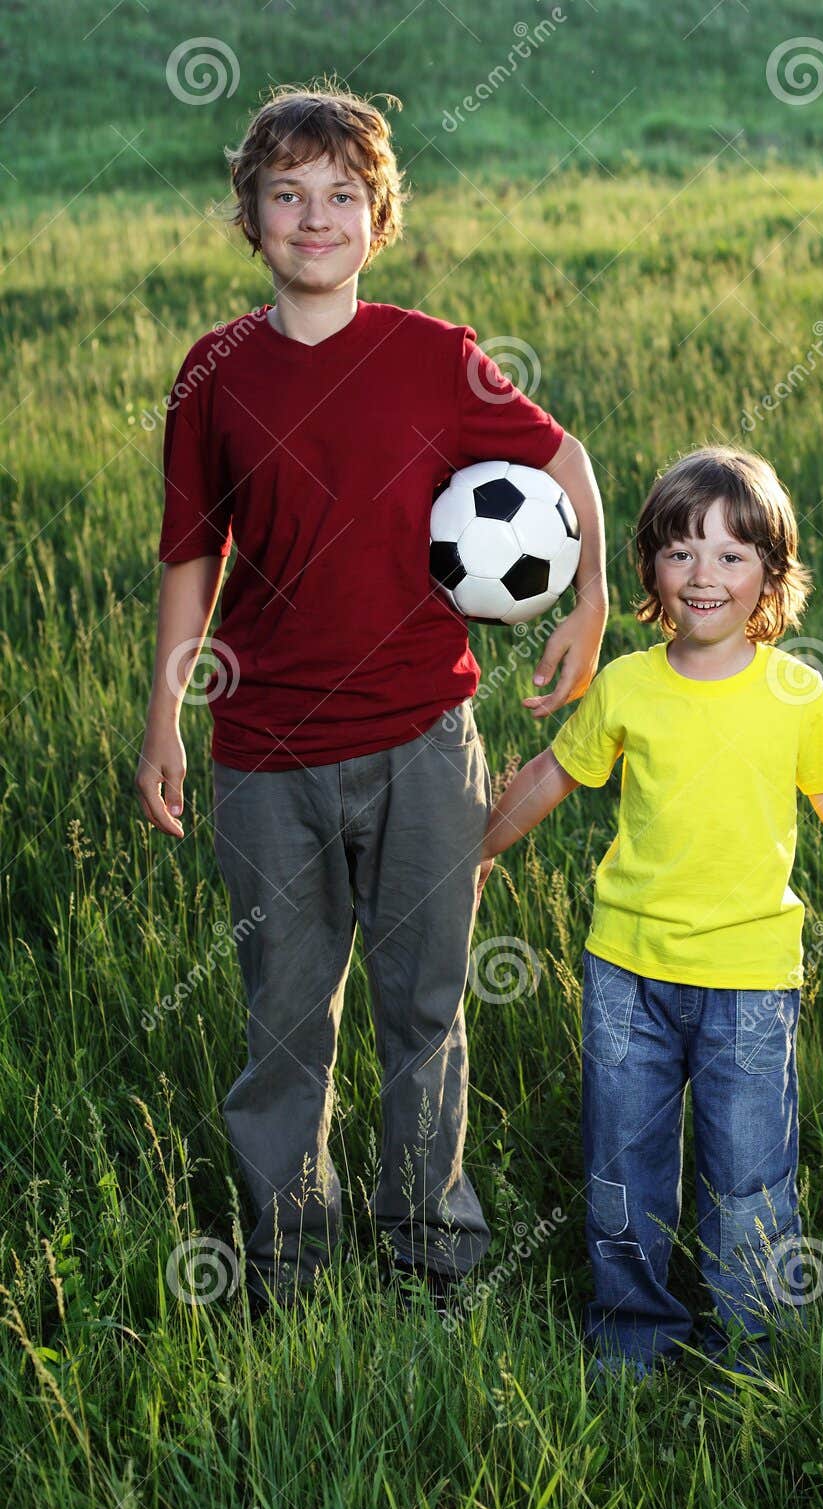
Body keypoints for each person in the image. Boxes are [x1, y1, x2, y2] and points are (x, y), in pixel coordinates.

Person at [135, 80, 606, 1312]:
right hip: (266, 752)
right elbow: (193, 559)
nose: (312, 218)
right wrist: (162, 719)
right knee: (284, 1021)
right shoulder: (214, 375)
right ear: (249, 215)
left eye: (340, 196)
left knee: (425, 1009)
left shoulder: (432, 358)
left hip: (419, 741)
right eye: (286, 195)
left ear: (376, 217)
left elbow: (561, 459)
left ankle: (429, 1253)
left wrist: (595, 600)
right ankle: (289, 1260)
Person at [480, 445, 823, 1379]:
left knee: (749, 1175)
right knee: (621, 1170)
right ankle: (632, 1335)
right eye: (680, 551)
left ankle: (749, 1346)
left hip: (750, 981)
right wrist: (474, 852)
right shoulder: (628, 687)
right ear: (648, 569)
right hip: (626, 968)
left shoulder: (793, 692)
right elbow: (554, 776)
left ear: (771, 572)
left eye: (730, 555)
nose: (703, 575)